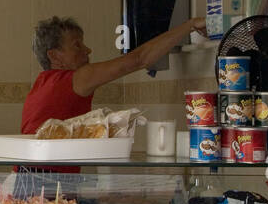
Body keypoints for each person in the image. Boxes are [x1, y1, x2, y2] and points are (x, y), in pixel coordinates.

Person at [23, 14, 207, 134]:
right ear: (54, 56)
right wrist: (190, 25)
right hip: (45, 183)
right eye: (77, 45)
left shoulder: (42, 84)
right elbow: (139, 59)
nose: (88, 50)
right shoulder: (73, 80)